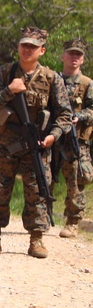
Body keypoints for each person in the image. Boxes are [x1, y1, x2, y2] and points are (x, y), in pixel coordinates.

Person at [0, 27, 72, 258]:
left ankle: (36, 239)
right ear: (18, 47)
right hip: (4, 143)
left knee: (37, 190)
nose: (27, 49)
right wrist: (9, 91)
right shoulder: (4, 73)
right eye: (24, 45)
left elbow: (64, 114)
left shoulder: (52, 79)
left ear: (42, 50)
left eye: (33, 46)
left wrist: (54, 135)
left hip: (37, 145)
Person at [51, 39, 92, 238]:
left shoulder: (87, 84)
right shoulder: (53, 79)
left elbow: (92, 108)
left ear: (83, 59)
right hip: (53, 136)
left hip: (75, 139)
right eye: (71, 53)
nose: (74, 57)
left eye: (78, 55)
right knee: (45, 176)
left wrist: (79, 117)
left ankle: (72, 222)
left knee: (75, 181)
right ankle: (40, 217)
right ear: (63, 56)